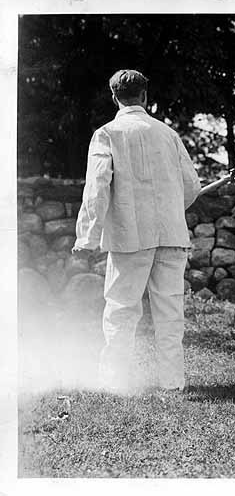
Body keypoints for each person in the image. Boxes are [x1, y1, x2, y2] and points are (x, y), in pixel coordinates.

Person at [72, 69, 201, 394]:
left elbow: (96, 189)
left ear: (115, 97)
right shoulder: (168, 134)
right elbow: (192, 186)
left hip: (130, 237)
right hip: (171, 236)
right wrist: (171, 210)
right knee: (170, 313)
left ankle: (117, 383)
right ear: (145, 96)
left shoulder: (107, 134)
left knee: (121, 310)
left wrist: (86, 238)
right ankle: (173, 383)